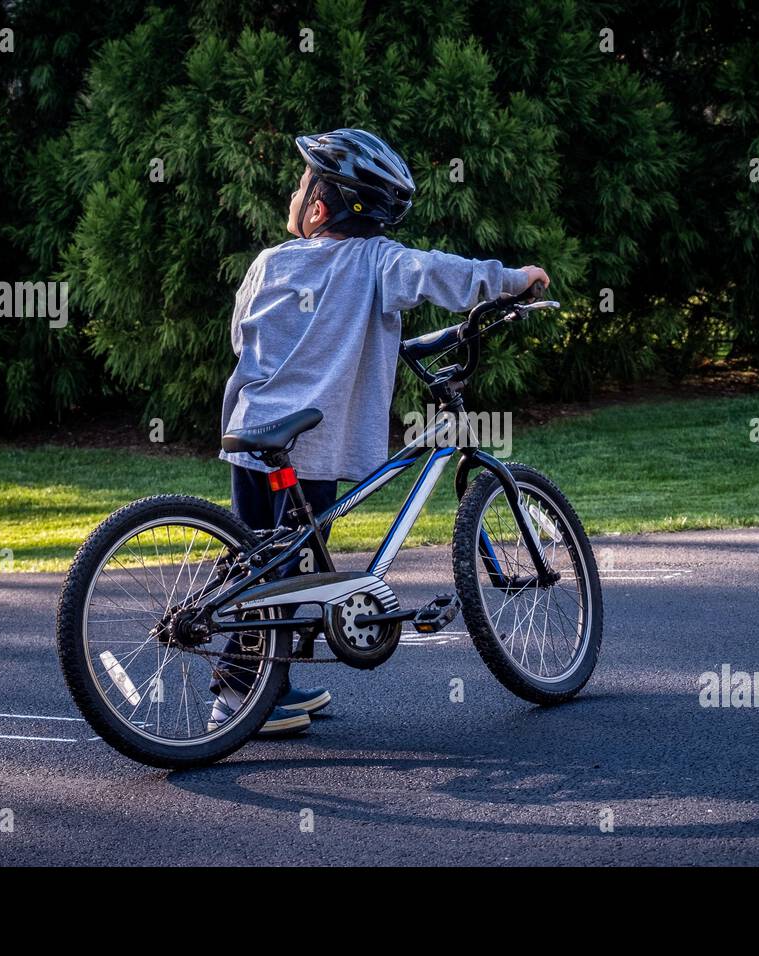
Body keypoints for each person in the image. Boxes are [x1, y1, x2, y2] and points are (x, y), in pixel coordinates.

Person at [212, 128, 550, 737]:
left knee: (264, 561)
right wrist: (514, 278)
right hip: (310, 444)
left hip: (252, 432)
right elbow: (444, 275)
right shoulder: (377, 262)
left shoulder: (266, 265)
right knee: (290, 570)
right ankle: (240, 699)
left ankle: (267, 687)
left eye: (299, 185)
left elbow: (244, 338)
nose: (295, 192)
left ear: (317, 208)